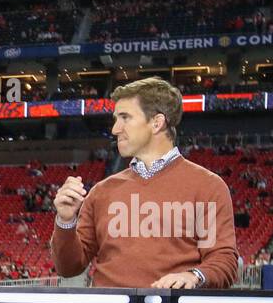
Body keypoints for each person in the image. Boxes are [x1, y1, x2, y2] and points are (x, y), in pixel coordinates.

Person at [50, 76, 238, 288]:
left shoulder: (207, 186)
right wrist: (65, 221)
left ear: (156, 123)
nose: (115, 129)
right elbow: (68, 267)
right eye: (116, 119)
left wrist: (193, 276)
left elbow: (224, 261)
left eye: (125, 118)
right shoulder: (101, 191)